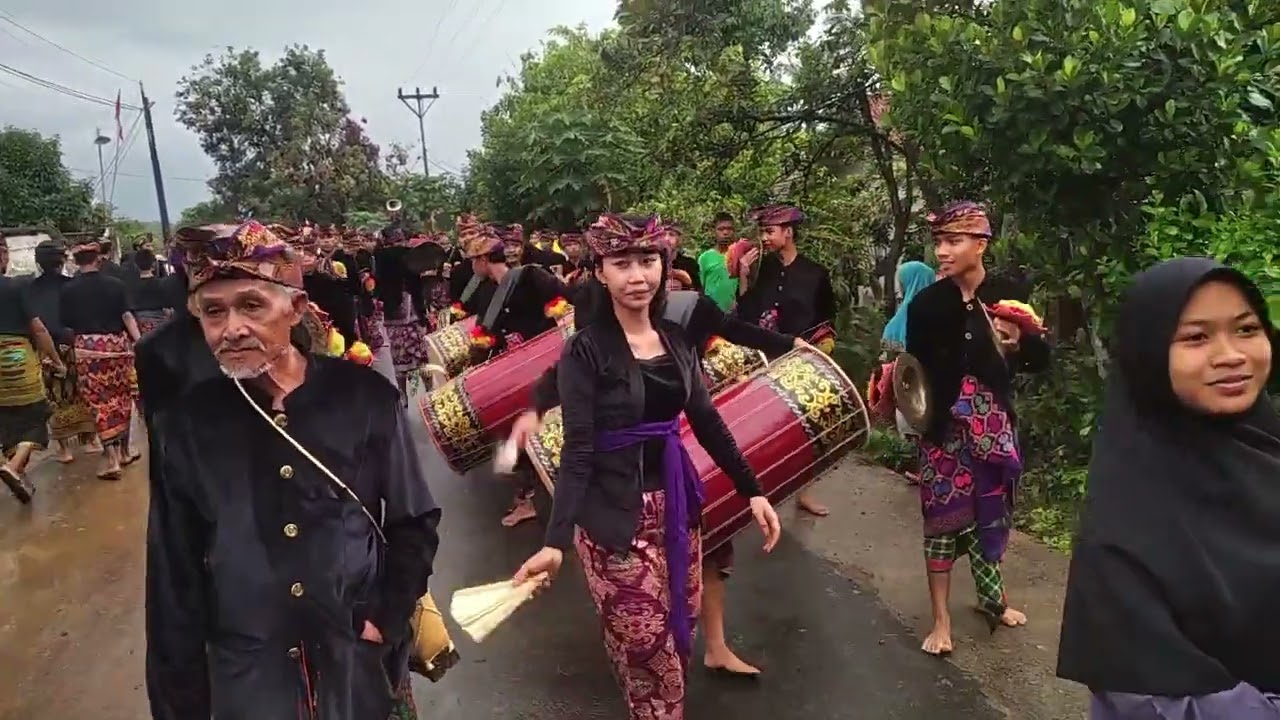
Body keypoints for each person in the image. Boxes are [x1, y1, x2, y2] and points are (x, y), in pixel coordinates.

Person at [145, 220, 440, 720]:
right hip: (250, 677)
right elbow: (172, 575)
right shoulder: (185, 424)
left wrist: (385, 618)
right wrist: (179, 702)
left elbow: (413, 521)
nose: (232, 327)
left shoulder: (365, 398)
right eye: (214, 312)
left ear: (295, 309)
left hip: (356, 660)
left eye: (251, 305)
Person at [513, 213, 782, 720]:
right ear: (600, 272)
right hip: (613, 523)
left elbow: (708, 422)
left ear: (663, 264)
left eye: (647, 261)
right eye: (622, 263)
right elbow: (578, 449)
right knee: (650, 662)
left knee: (677, 645)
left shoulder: (677, 341)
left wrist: (754, 491)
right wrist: (553, 540)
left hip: (679, 513)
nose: (637, 276)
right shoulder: (585, 351)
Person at [1056, 257, 1279, 719]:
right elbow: (1152, 699)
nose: (1231, 354)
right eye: (1196, 337)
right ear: (1149, 354)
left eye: (1246, 329)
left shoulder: (1267, 450)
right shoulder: (1124, 520)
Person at [906, 201, 1050, 655]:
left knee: (993, 510)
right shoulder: (928, 303)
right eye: (939, 243)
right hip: (943, 430)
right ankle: (941, 621)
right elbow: (916, 375)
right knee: (941, 521)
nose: (943, 252)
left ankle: (994, 599)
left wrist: (1020, 342)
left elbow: (1041, 361)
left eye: (954, 242)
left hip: (994, 426)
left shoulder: (1008, 294)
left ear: (981, 244)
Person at [736, 203, 837, 517]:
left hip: (801, 357)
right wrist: (743, 276)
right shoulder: (764, 269)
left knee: (807, 427)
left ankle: (804, 492)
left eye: (769, 231)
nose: (764, 238)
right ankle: (757, 491)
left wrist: (820, 350)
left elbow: (827, 319)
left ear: (788, 233)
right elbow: (748, 314)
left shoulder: (815, 273)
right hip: (766, 355)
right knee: (763, 425)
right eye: (763, 231)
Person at [60, 241, 142, 480]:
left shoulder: (68, 290)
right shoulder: (116, 285)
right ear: (98, 259)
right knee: (121, 397)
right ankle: (125, 452)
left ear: (76, 261)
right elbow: (127, 316)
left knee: (99, 402)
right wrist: (139, 342)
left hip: (87, 349)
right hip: (116, 347)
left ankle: (111, 457)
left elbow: (67, 325)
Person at [0, 234, 66, 502]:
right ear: (3, 255)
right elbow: (38, 328)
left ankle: (19, 476)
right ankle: (13, 467)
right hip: (16, 355)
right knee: (38, 414)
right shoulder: (16, 288)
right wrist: (57, 360)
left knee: (6, 419)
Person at [25, 240, 99, 465]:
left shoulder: (29, 288)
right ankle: (91, 439)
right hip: (72, 344)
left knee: (55, 396)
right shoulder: (73, 285)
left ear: (38, 262)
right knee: (81, 390)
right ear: (62, 260)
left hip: (45, 348)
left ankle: (64, 448)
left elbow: (31, 323)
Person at [698, 212, 740, 311]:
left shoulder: (740, 255)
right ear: (714, 232)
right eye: (721, 229)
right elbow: (700, 288)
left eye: (729, 229)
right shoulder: (705, 258)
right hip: (711, 313)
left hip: (736, 313)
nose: (725, 233)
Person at [129, 247, 175, 337]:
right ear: (153, 264)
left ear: (136, 265)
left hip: (139, 328)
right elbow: (168, 310)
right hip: (161, 327)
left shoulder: (130, 287)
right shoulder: (163, 284)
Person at [664, 223, 702, 292]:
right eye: (663, 235)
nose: (666, 239)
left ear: (679, 240)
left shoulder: (690, 264)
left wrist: (686, 281)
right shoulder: (652, 263)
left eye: (671, 235)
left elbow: (699, 293)